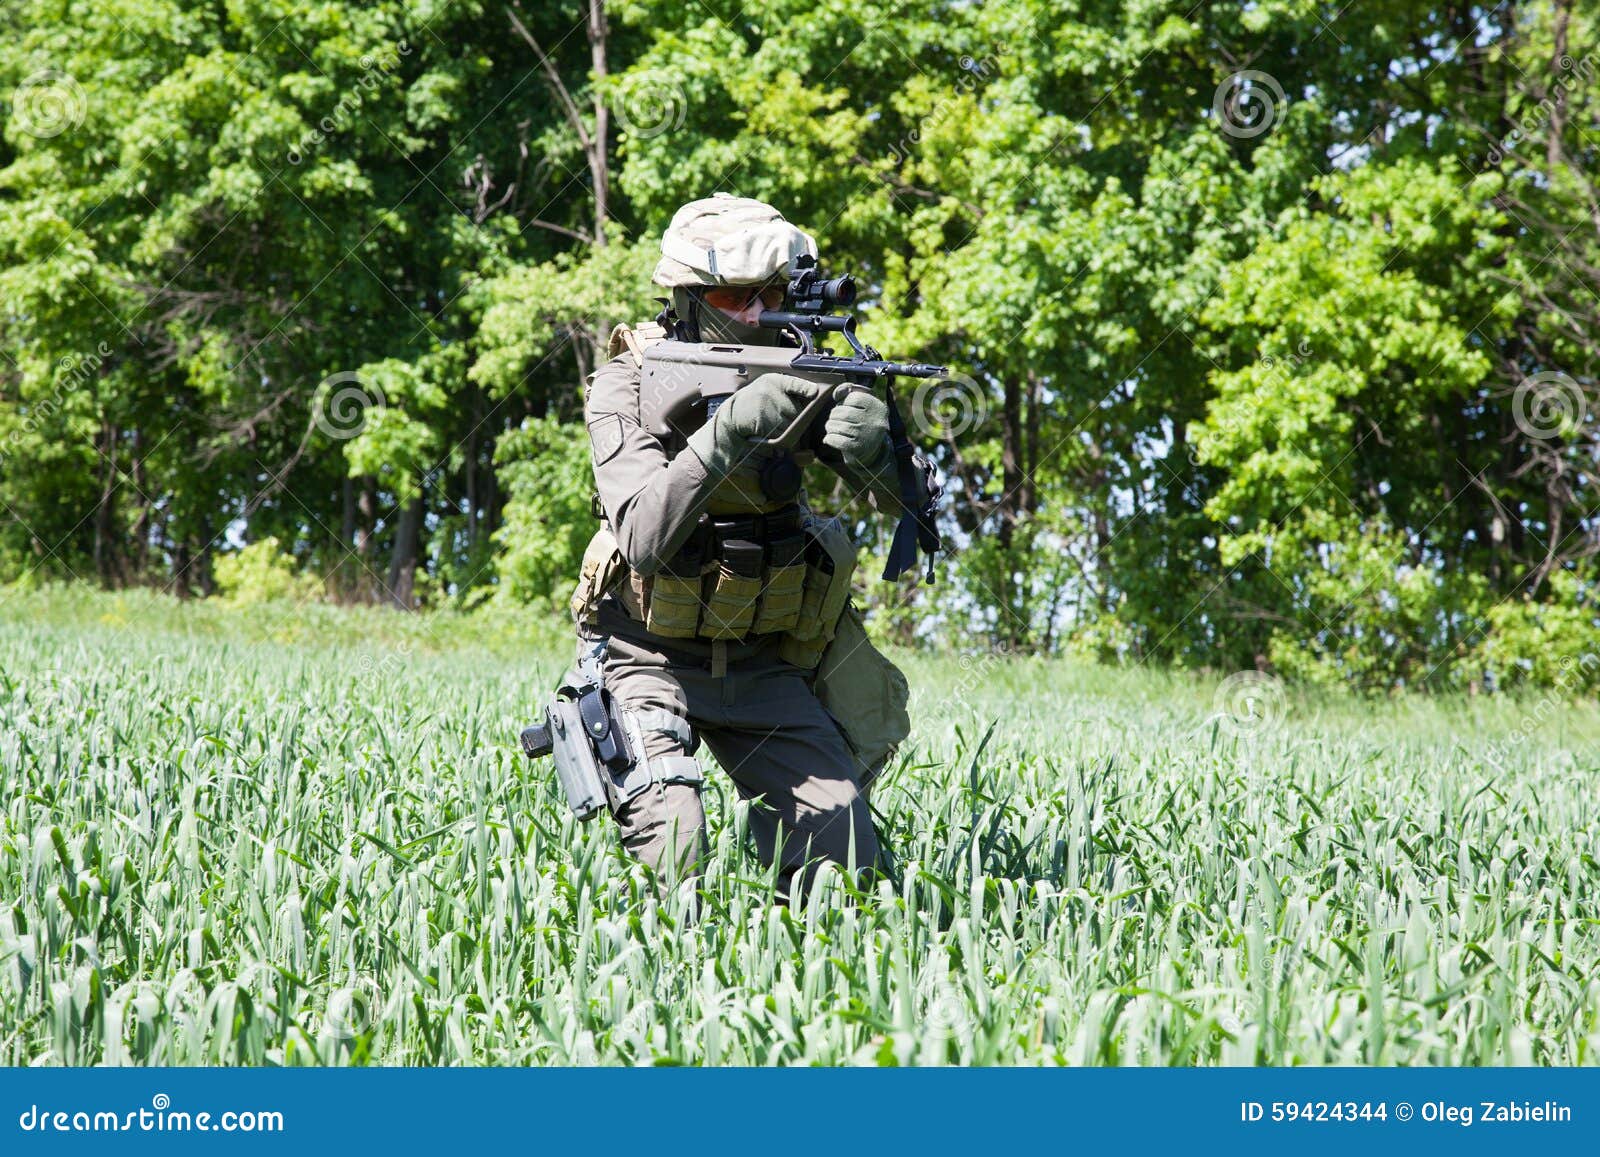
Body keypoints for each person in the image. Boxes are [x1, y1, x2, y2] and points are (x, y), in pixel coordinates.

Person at [568, 193, 912, 899]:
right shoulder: (626, 387)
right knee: (674, 842)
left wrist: (884, 455)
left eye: (775, 295)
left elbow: (916, 521)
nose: (760, 314)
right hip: (648, 655)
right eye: (736, 295)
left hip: (763, 659)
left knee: (842, 853)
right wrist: (727, 434)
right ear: (689, 299)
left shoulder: (804, 370)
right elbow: (641, 536)